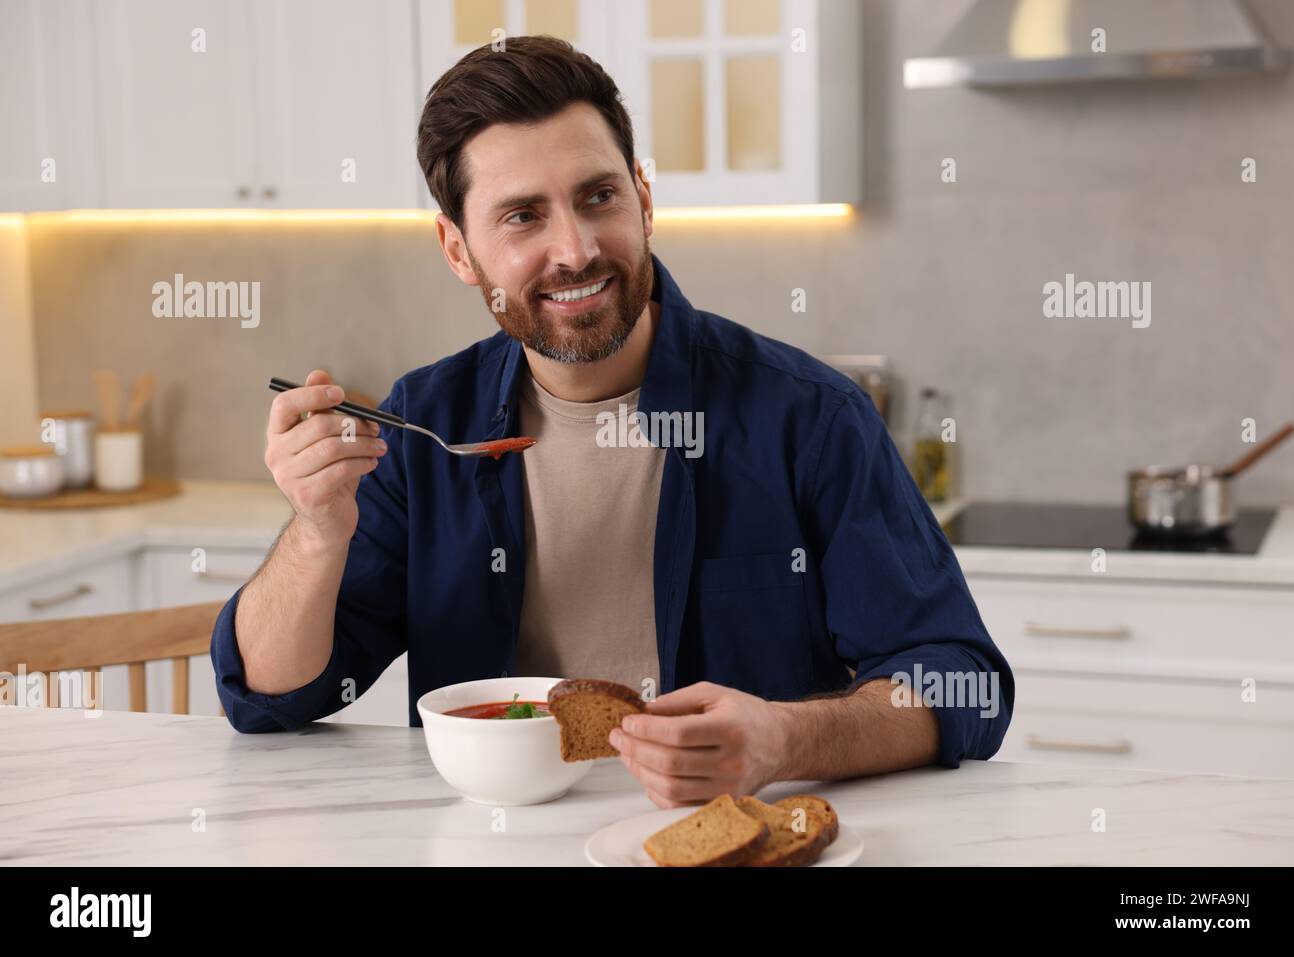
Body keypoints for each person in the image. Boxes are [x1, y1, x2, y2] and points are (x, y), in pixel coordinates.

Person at [212, 35, 1013, 809]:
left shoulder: (810, 418)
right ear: (459, 251)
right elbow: (272, 697)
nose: (577, 248)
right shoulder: (423, 428)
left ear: (645, 197)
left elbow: (960, 681)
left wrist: (784, 738)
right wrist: (317, 532)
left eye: (598, 196)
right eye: (523, 216)